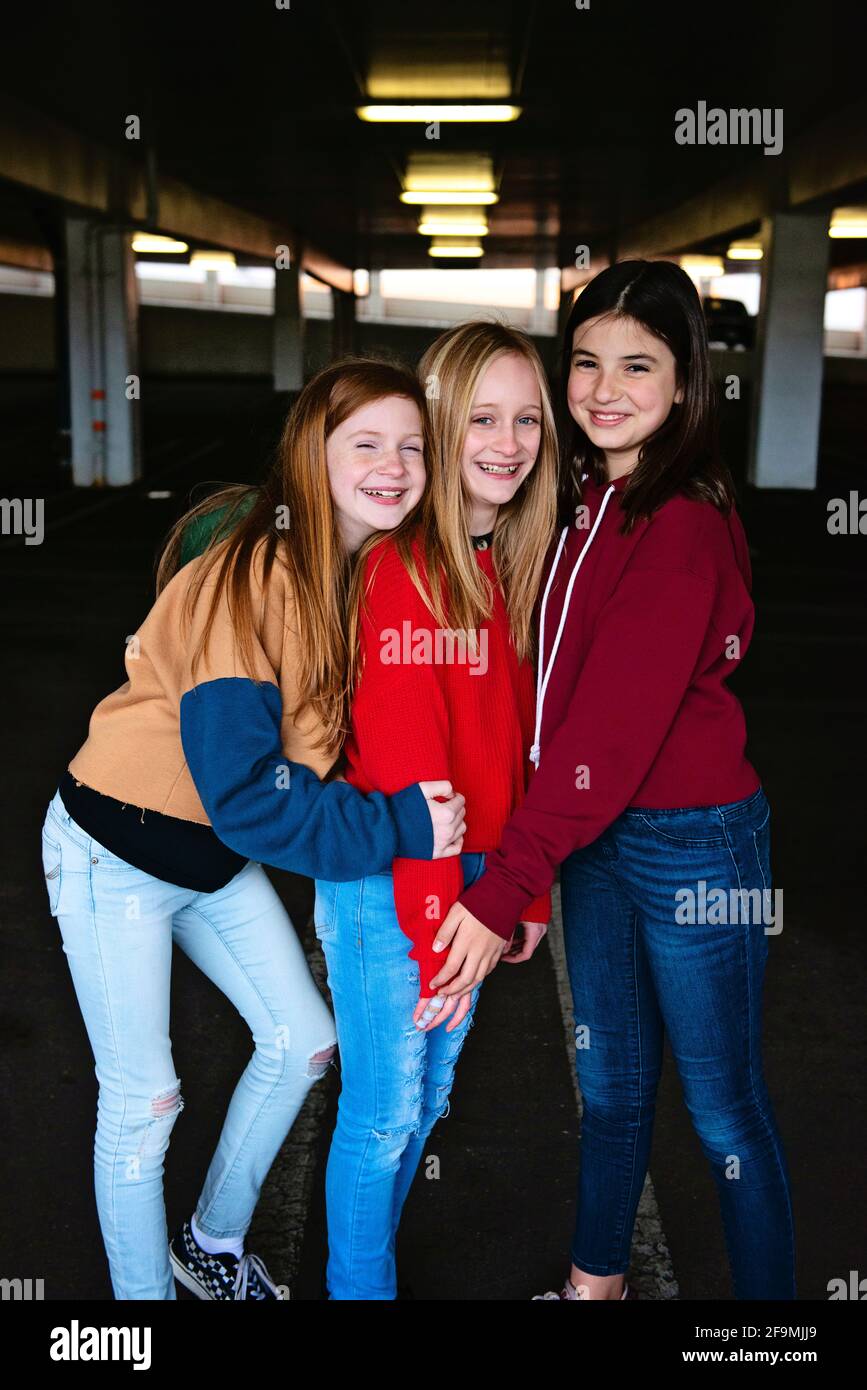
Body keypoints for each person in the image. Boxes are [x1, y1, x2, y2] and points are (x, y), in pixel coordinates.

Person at [39, 359, 466, 1300]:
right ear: (312, 458)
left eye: (411, 447)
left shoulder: (355, 571)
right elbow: (250, 796)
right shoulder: (255, 571)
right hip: (118, 848)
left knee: (302, 1041)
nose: (393, 465)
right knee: (144, 1105)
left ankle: (211, 1244)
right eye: (365, 444)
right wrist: (400, 826)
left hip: (205, 857)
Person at [432, 261, 796, 1302]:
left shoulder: (675, 523)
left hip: (691, 843)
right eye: (586, 361)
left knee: (725, 1109)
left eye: (638, 364)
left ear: (684, 384)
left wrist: (506, 884)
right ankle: (597, 1289)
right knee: (613, 1086)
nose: (603, 387)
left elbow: (609, 731)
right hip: (595, 838)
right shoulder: (591, 497)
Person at [313, 321, 557, 1299]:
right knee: (382, 1111)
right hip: (399, 888)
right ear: (443, 425)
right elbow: (418, 782)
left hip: (478, 889)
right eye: (483, 418)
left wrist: (520, 893)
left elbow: (513, 751)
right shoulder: (399, 570)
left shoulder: (507, 561)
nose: (508, 441)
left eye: (528, 419)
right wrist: (439, 934)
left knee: (427, 1099)